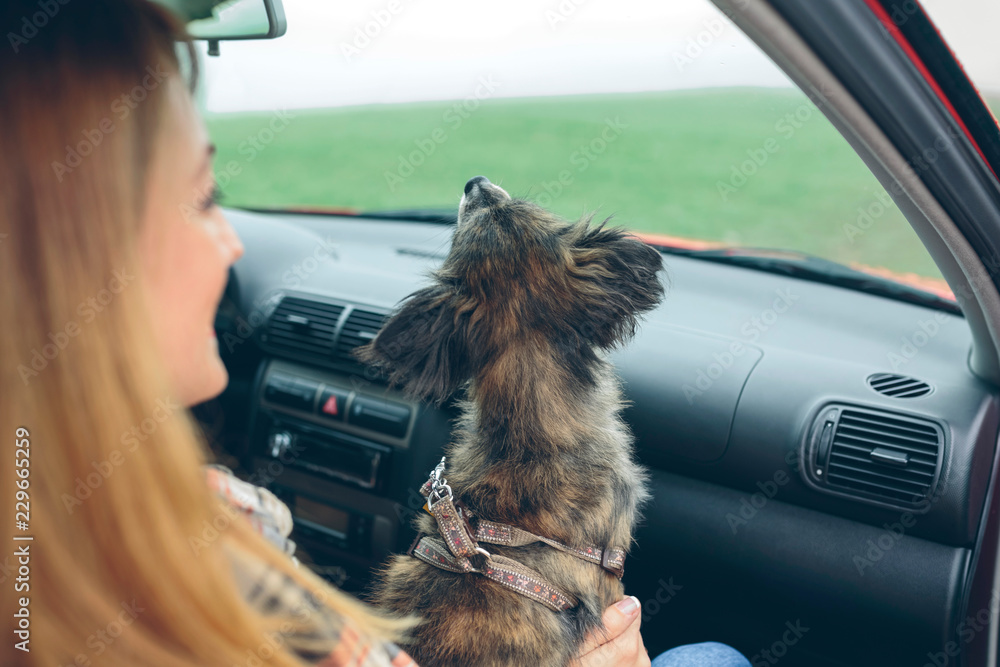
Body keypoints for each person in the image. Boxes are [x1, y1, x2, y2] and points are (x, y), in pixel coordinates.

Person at [0, 1, 751, 665]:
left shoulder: (65, 527)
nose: (233, 244)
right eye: (204, 199)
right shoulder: (202, 552)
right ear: (78, 262)